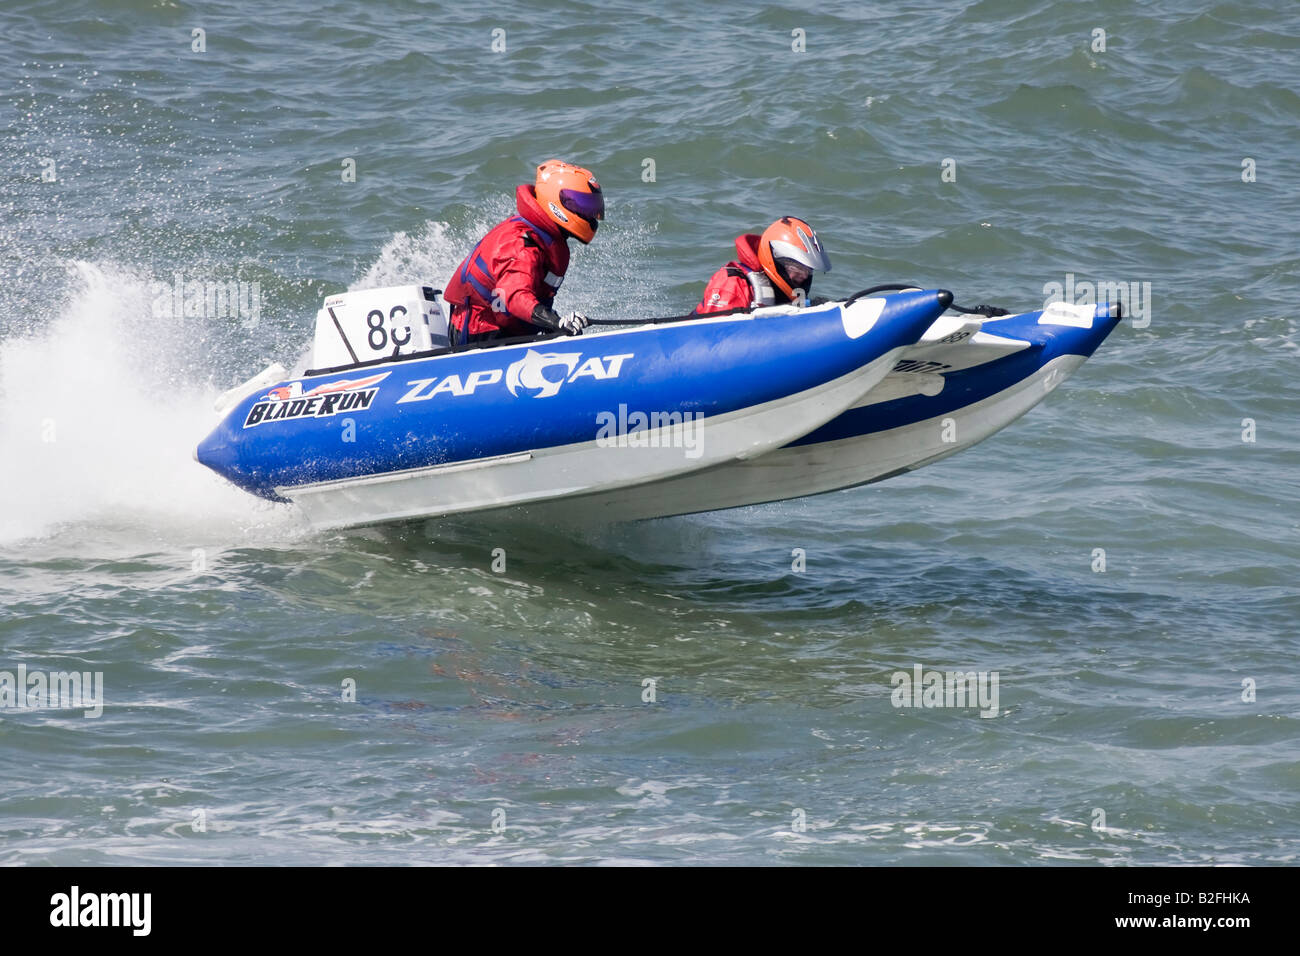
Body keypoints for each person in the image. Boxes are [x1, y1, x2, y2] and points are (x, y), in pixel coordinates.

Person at [445, 160, 604, 344]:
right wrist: (556, 322)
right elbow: (515, 296)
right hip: (480, 332)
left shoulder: (544, 237)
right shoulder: (520, 244)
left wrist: (559, 324)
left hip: (508, 328)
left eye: (592, 206)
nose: (591, 214)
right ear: (556, 204)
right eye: (582, 204)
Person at [692, 216, 831, 316]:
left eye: (808, 270)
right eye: (797, 268)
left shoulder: (786, 291)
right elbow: (715, 337)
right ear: (776, 260)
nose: (804, 275)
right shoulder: (733, 284)